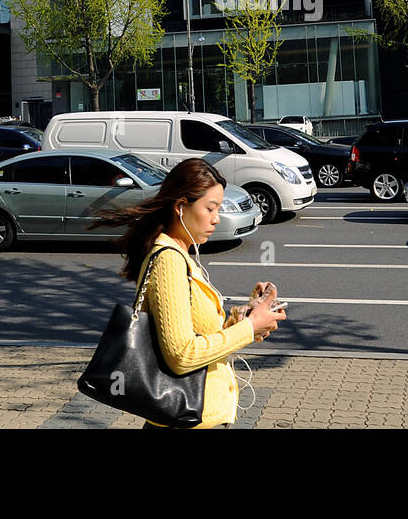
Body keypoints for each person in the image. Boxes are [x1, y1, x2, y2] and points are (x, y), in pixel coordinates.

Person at [91, 157, 285, 428]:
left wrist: (247, 315)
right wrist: (250, 328)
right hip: (185, 420)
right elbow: (182, 355)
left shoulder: (181, 254)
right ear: (181, 207)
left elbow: (199, 334)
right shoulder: (168, 260)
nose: (217, 218)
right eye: (210, 208)